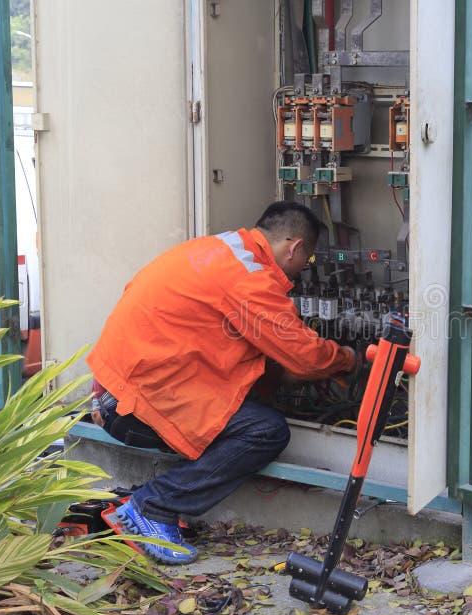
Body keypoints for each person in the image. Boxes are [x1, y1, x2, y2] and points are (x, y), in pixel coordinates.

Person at [87, 201, 356, 564]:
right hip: (134, 407)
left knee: (252, 400)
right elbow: (305, 356)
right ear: (293, 248)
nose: (300, 273)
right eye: (305, 261)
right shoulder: (250, 278)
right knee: (266, 431)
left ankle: (147, 502)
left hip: (114, 390)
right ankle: (152, 505)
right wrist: (349, 358)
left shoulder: (219, 249)